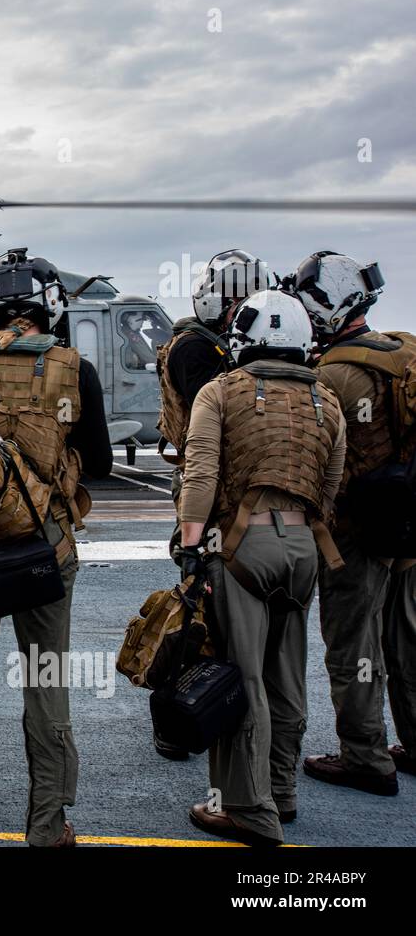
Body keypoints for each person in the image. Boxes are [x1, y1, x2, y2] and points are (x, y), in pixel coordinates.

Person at [0, 248, 112, 847]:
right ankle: (47, 824)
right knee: (46, 682)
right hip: (45, 552)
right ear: (50, 306)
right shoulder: (75, 369)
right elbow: (103, 464)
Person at [180, 290, 345, 846]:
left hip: (243, 547)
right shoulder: (327, 399)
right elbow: (330, 484)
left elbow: (200, 473)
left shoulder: (219, 391)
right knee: (288, 673)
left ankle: (248, 809)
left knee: (240, 677)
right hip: (304, 550)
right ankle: (283, 789)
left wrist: (189, 543)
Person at [295, 251, 416, 793]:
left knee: (352, 646)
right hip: (409, 522)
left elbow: (318, 461)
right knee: (407, 636)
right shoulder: (406, 351)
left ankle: (365, 756)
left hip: (355, 533)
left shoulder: (332, 376)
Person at [152, 248, 272, 760]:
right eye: (237, 300)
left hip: (237, 496)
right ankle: (176, 720)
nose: (243, 309)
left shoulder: (225, 348)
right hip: (206, 490)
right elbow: (218, 424)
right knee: (193, 614)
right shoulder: (195, 350)